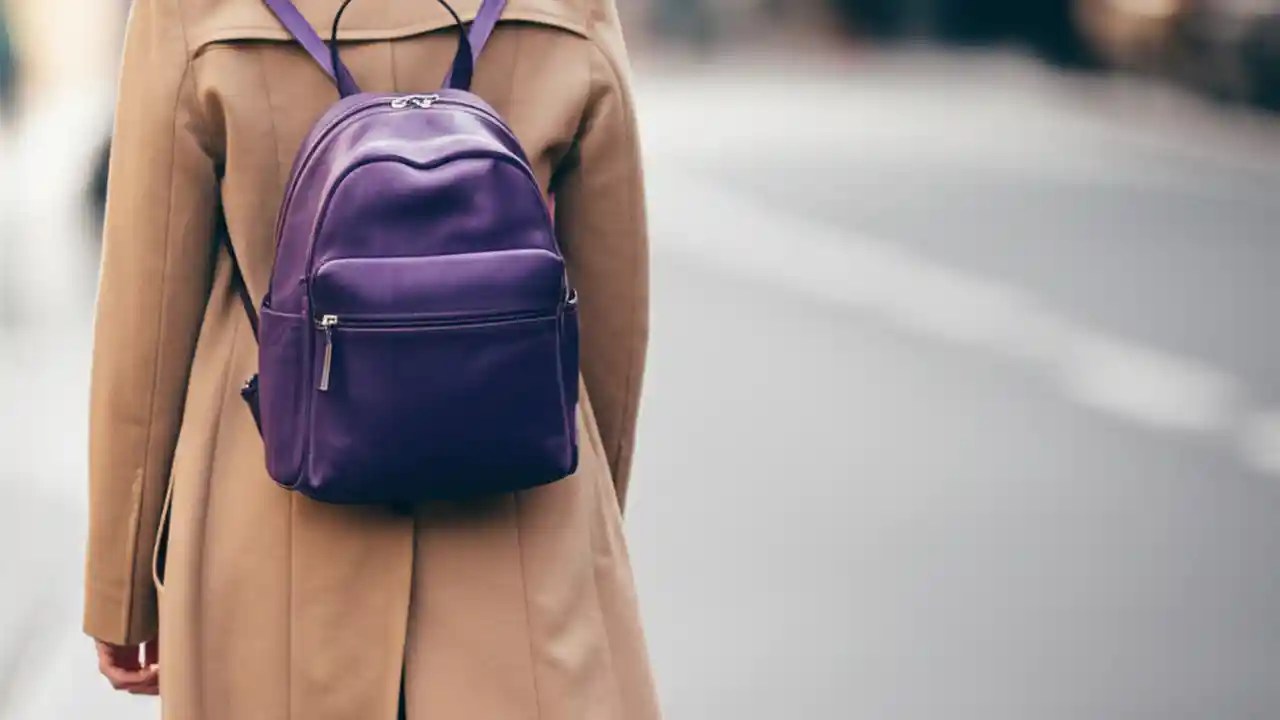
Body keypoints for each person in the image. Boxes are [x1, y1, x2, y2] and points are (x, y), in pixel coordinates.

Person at [84, 1, 659, 718]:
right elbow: (611, 303)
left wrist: (122, 589)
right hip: (519, 528)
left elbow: (148, 313)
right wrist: (591, 517)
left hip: (268, 527)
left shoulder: (188, 12)